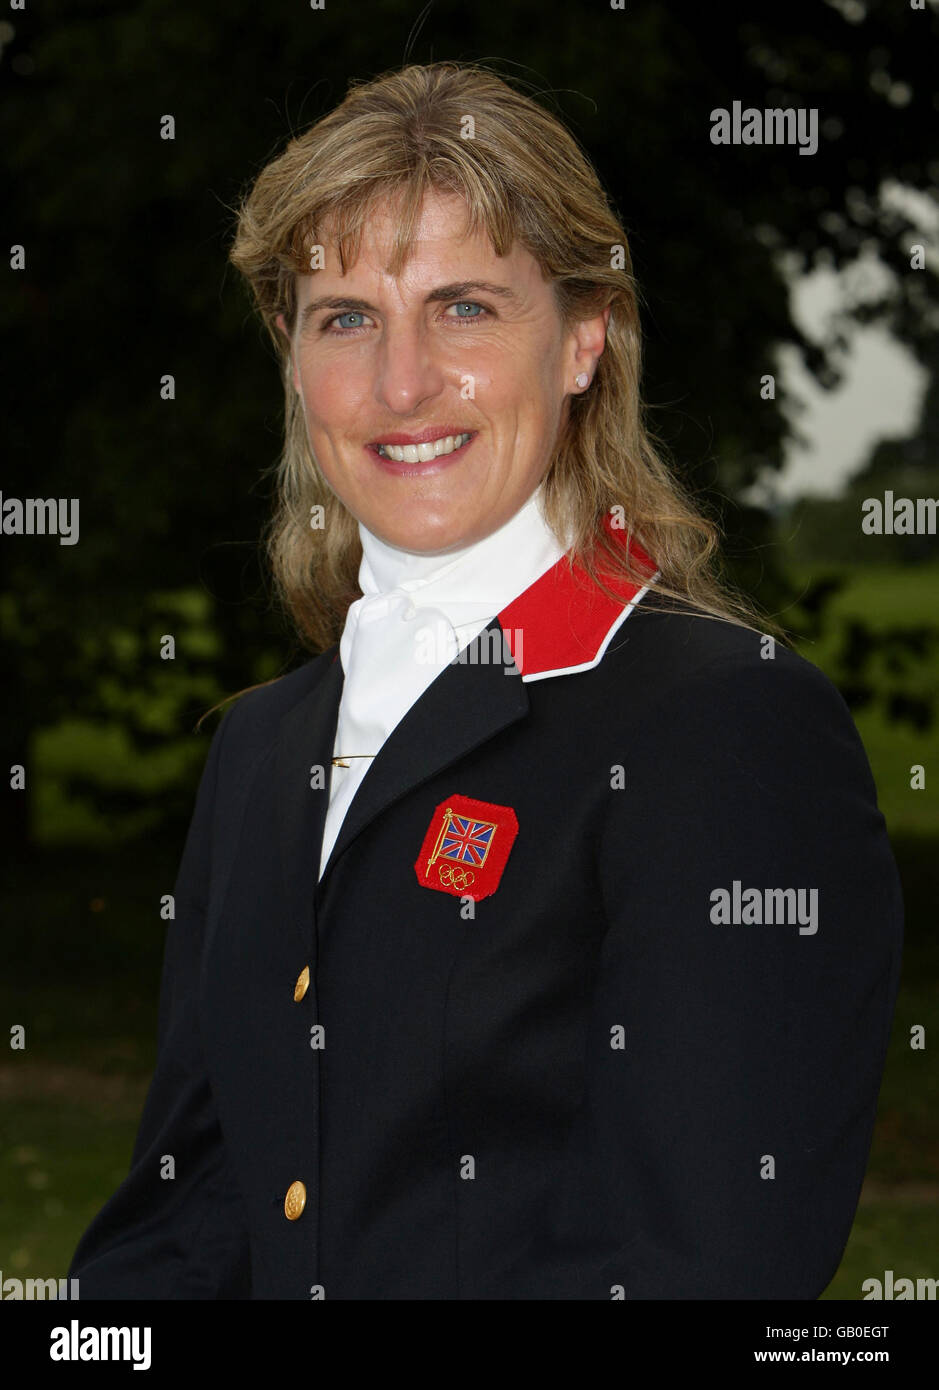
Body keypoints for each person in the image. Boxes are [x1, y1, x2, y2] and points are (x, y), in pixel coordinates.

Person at [68, 61, 903, 1300]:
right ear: (292, 360)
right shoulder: (260, 746)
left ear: (582, 338)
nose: (401, 384)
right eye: (345, 316)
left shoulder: (725, 721)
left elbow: (699, 1262)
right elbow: (192, 1216)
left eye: (463, 306)